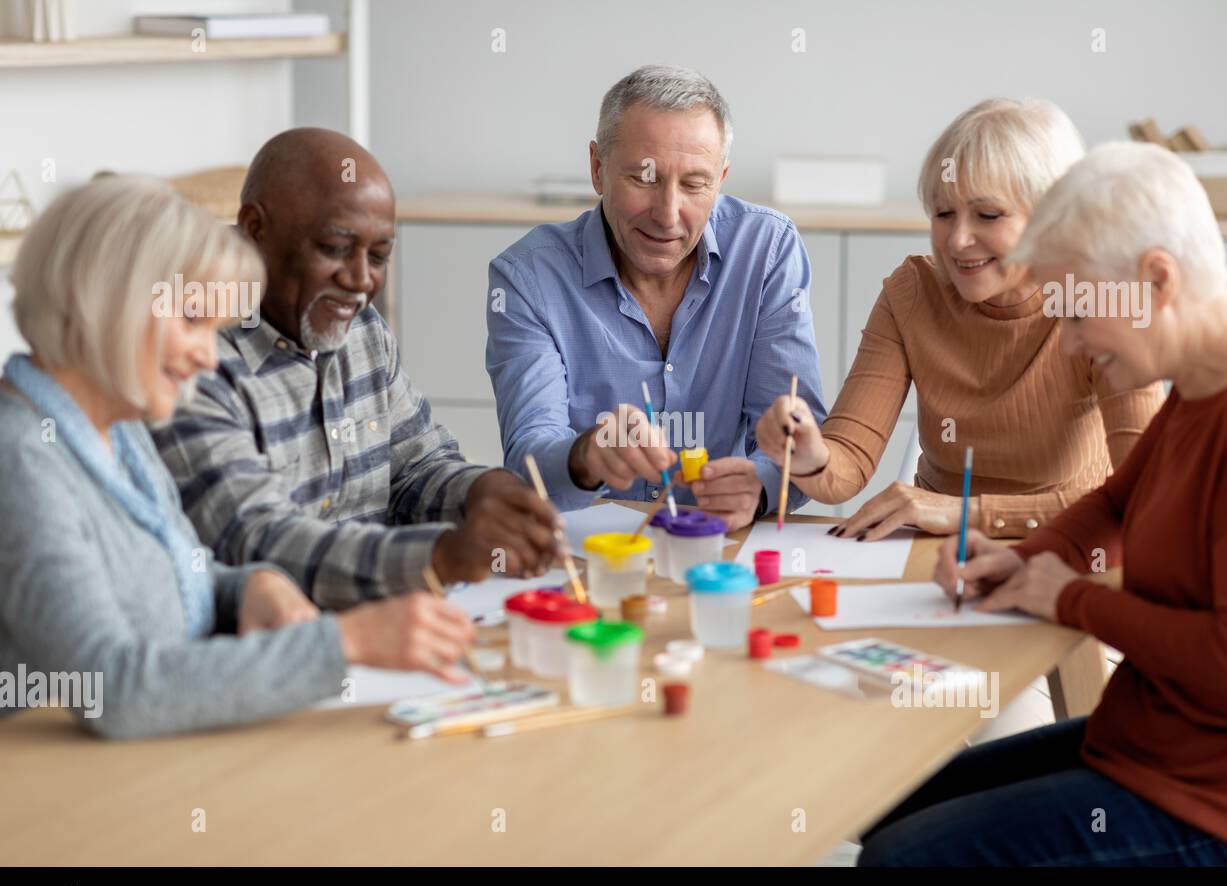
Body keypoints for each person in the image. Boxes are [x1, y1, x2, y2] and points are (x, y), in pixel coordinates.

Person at [860, 142, 1227, 866]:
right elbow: (1113, 506)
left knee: (904, 858)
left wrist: (1071, 600)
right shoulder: (1204, 389)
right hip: (1153, 739)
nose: (1065, 342)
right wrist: (1021, 563)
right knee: (894, 804)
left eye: (1077, 312)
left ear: (1156, 280)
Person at [0, 177, 478, 739]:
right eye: (193, 321)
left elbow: (170, 584)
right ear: (104, 302)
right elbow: (112, 686)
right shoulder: (22, 459)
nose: (209, 358)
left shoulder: (118, 430)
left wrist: (251, 585)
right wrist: (349, 639)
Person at [153, 129, 563, 610]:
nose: (361, 279)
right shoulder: (192, 353)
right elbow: (254, 540)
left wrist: (483, 491)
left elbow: (418, 468)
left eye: (379, 256)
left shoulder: (361, 329)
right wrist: (440, 557)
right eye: (333, 247)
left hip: (391, 624)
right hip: (281, 643)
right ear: (254, 228)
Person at [757, 99, 1164, 541]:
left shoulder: (1107, 302)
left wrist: (966, 513)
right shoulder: (912, 294)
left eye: (988, 215)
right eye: (943, 213)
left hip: (1067, 545)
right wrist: (811, 455)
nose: (958, 240)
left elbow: (1144, 494)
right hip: (934, 553)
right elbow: (847, 465)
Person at [486, 65, 827, 530]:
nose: (668, 215)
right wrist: (586, 456)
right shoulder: (528, 277)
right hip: (592, 553)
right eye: (644, 178)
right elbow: (527, 464)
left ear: (721, 179)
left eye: (694, 184)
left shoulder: (767, 251)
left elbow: (804, 445)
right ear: (597, 169)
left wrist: (763, 484)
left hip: (718, 547)